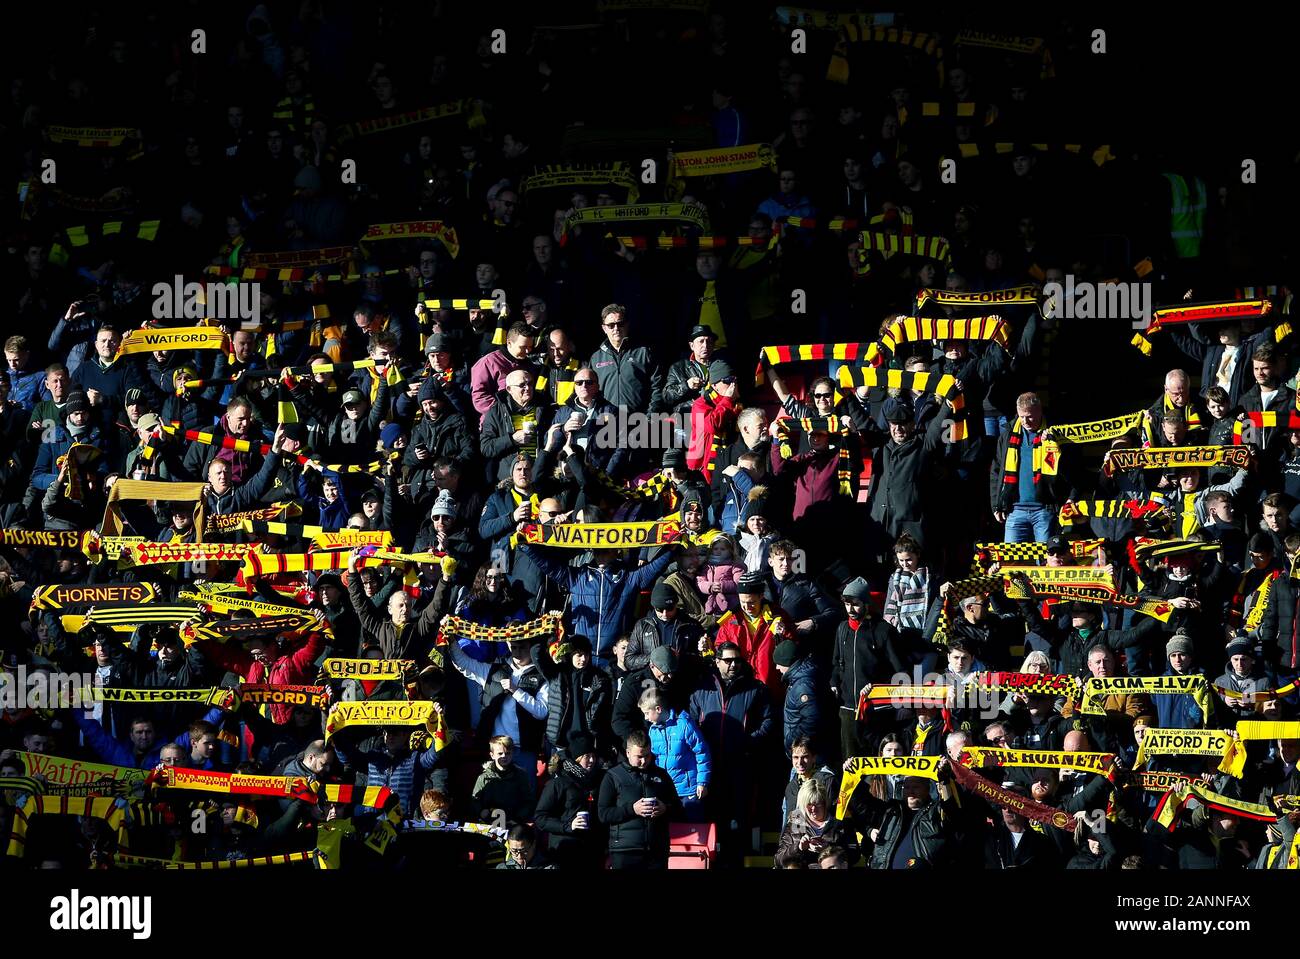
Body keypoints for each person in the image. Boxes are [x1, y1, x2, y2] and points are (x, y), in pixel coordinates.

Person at [597, 729, 681, 869]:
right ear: (628, 753)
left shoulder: (662, 775)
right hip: (625, 851)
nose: (644, 761)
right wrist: (632, 809)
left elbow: (678, 809)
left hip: (656, 851)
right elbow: (603, 814)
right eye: (639, 756)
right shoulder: (613, 776)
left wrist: (665, 808)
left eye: (647, 755)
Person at [533, 730, 605, 868]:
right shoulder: (558, 783)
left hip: (592, 850)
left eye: (593, 756)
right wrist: (568, 826)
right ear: (577, 758)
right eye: (586, 756)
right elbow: (540, 818)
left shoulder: (600, 780)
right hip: (564, 849)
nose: (591, 760)